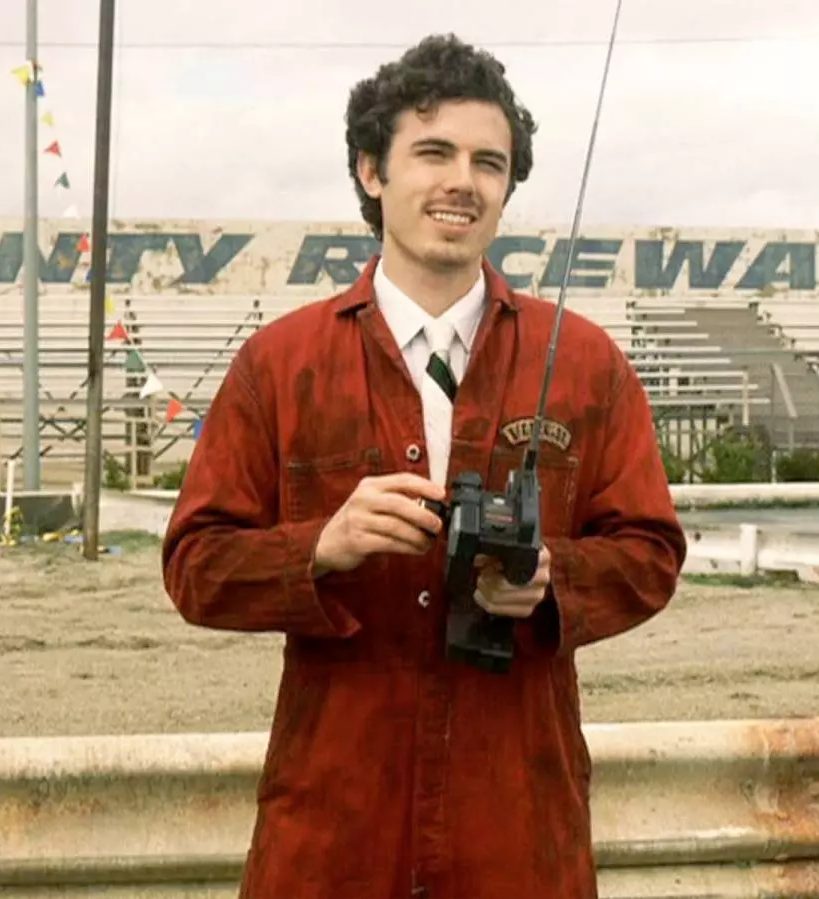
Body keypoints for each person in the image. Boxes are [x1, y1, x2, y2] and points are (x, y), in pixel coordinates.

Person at [161, 32, 687, 899]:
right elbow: (193, 566)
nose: (462, 182)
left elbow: (651, 550)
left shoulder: (585, 362)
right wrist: (319, 547)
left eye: (490, 162)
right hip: (334, 832)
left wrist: (553, 579)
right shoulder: (280, 363)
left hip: (517, 826)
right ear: (372, 170)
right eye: (433, 152)